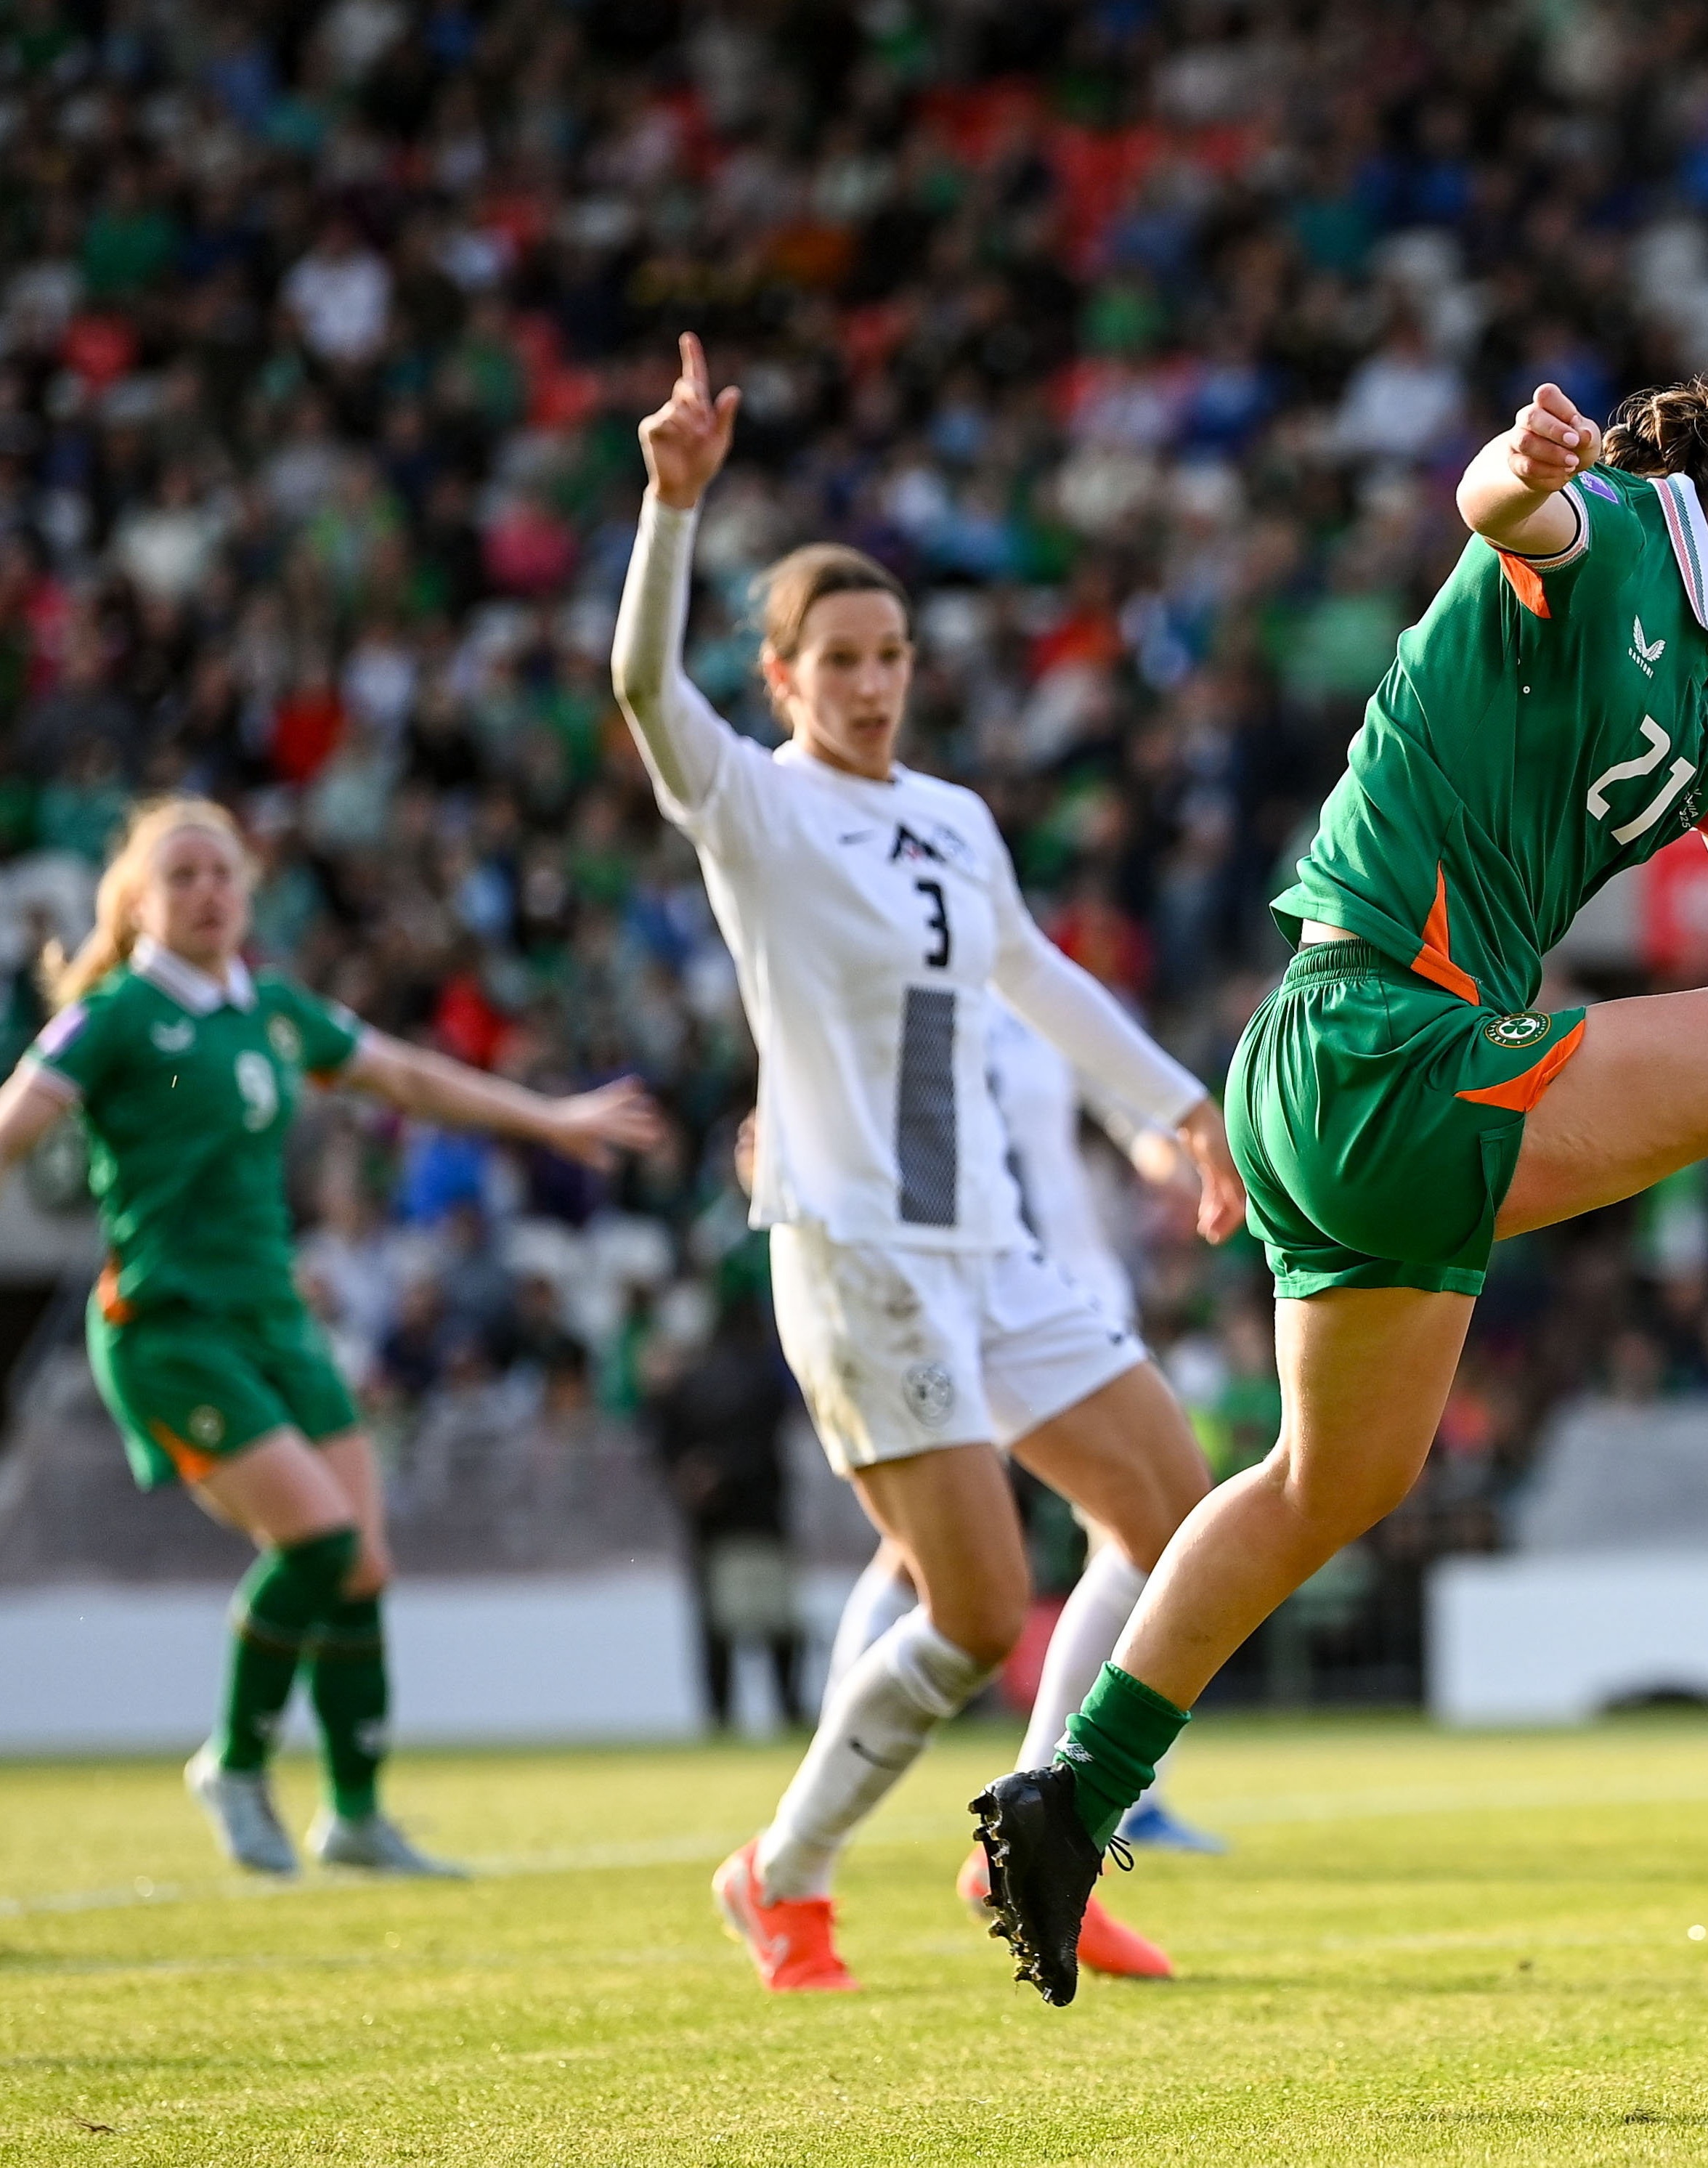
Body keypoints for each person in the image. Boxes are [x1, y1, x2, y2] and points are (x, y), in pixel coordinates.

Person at [974, 355, 1708, 2003]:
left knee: (1326, 1485)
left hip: (1337, 1072)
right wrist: (1516, 458)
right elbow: (1502, 510)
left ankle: (1069, 1795)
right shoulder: (1612, 530)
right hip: (1383, 1044)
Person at [613, 336, 1243, 1994]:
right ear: (781, 677)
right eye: (839, 659)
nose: (872, 682)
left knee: (1173, 1513)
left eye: (890, 654)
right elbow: (641, 691)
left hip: (992, 1240)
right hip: (856, 1247)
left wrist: (1180, 1108)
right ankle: (782, 1873)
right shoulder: (753, 809)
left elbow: (1036, 972)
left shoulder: (955, 816)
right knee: (972, 1611)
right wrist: (672, 509)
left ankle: (1037, 1831)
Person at [0, 796, 662, 1877]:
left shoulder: (272, 1009)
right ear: (135, 903)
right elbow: (13, 1129)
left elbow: (406, 1076)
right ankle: (235, 1764)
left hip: (276, 1319)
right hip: (170, 1328)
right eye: (182, 876)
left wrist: (547, 1118)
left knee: (362, 1567)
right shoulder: (113, 1018)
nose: (208, 892)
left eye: (223, 873)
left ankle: (355, 1816)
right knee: (318, 1543)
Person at [822, 1007, 1228, 1858]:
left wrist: (1173, 1161)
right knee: (922, 1551)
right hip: (946, 1302)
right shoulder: (899, 988)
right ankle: (840, 1777)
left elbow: (1131, 1110)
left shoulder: (1040, 995)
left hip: (1067, 1309)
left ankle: (1080, 1795)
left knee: (1141, 1537)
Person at [646, 1267, 808, 1734]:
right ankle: (789, 1711)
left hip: (711, 1524)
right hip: (762, 1519)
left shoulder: (683, 1382)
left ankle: (719, 1718)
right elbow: (770, 1434)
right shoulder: (763, 1375)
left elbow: (660, 1444)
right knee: (778, 1627)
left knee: (718, 1631)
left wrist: (695, 1475)